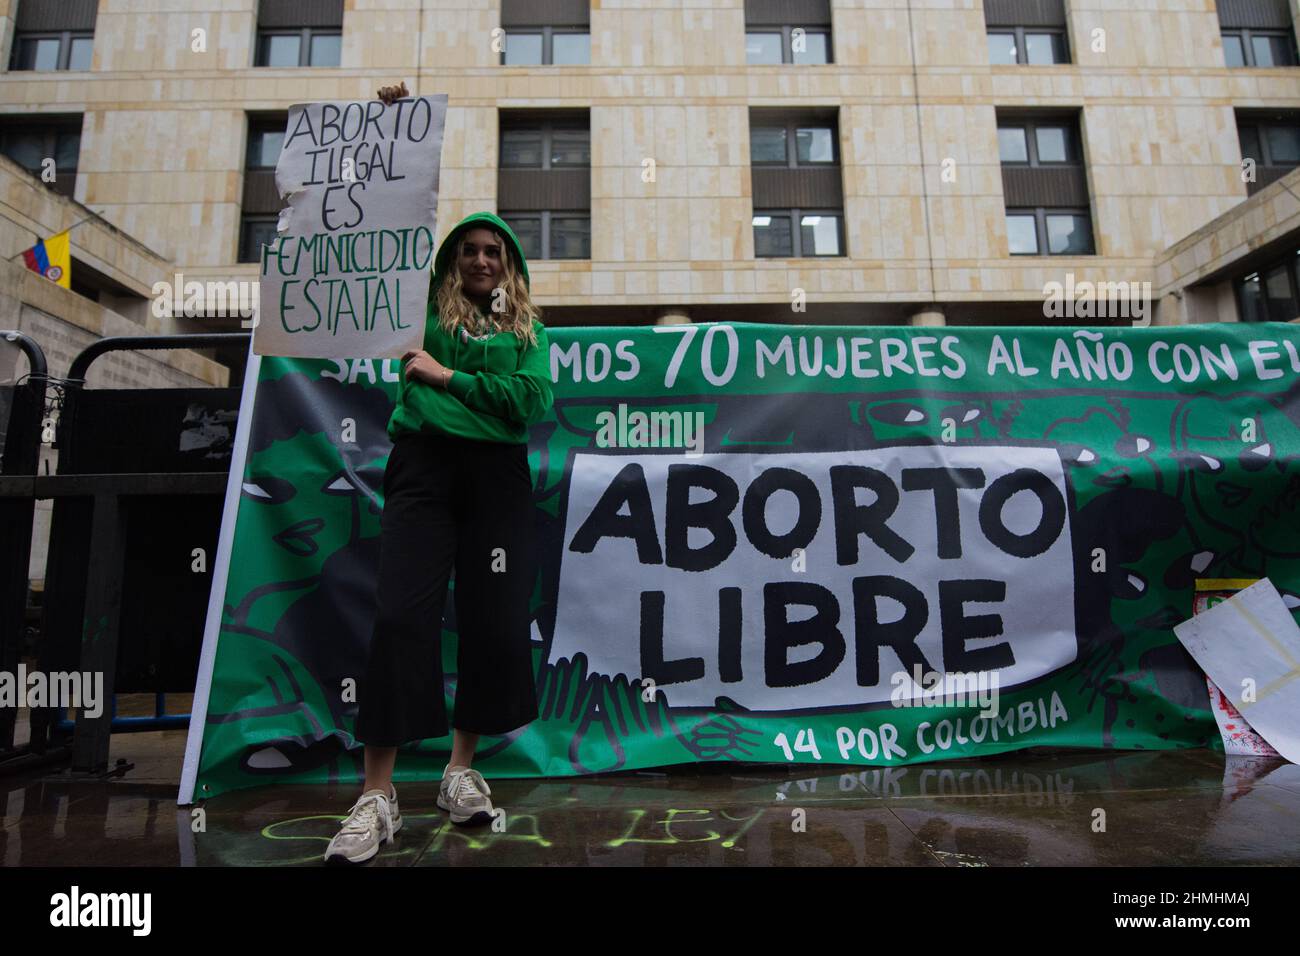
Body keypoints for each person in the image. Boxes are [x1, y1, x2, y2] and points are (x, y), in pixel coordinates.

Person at [324, 82, 553, 864]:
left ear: (509, 264)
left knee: (491, 625)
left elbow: (528, 402)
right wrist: (390, 127)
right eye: (470, 250)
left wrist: (446, 381)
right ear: (453, 261)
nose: (483, 260)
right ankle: (377, 794)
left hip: (497, 482)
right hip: (423, 473)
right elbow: (381, 220)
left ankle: (461, 770)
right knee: (399, 619)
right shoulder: (413, 309)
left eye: (495, 251)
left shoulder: (525, 328)